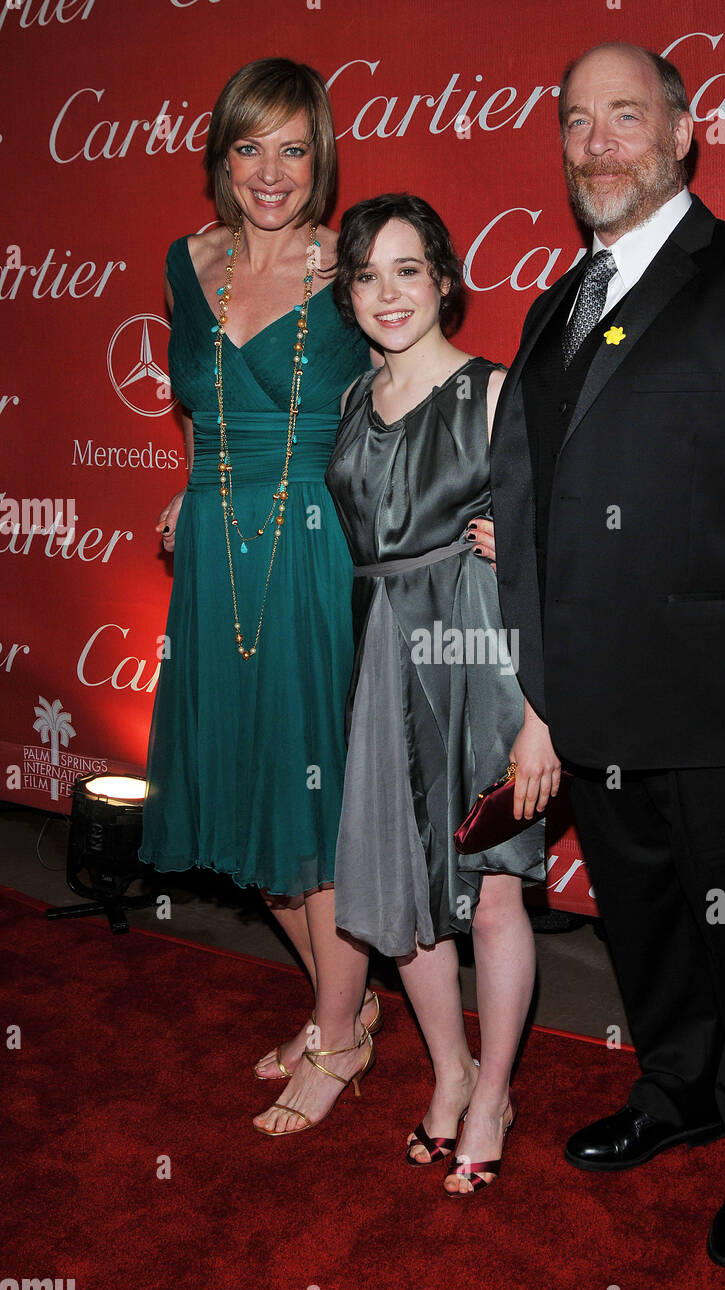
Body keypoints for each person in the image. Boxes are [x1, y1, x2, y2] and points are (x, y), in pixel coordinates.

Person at [489, 43, 725, 1264]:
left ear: (685, 131)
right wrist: (539, 690)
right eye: (577, 120)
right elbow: (540, 501)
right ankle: (679, 1093)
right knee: (644, 928)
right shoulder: (557, 305)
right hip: (596, 703)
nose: (598, 142)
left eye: (626, 115)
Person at [139, 58, 383, 1119]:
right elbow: (197, 406)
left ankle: (338, 1035)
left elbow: (414, 398)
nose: (271, 172)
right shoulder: (186, 263)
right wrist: (191, 489)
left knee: (308, 794)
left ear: (320, 155)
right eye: (250, 148)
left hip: (316, 552)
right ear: (221, 157)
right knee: (243, 791)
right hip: (214, 559)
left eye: (293, 148)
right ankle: (346, 1007)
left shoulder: (354, 266)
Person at [324, 193, 555, 1194]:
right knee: (397, 888)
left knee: (492, 888)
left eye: (408, 269)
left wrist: (544, 716)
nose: (388, 292)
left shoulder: (495, 394)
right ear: (348, 293)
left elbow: (561, 553)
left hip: (479, 661)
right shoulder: (346, 402)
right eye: (368, 273)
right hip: (376, 658)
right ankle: (449, 1070)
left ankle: (495, 1092)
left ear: (446, 282)